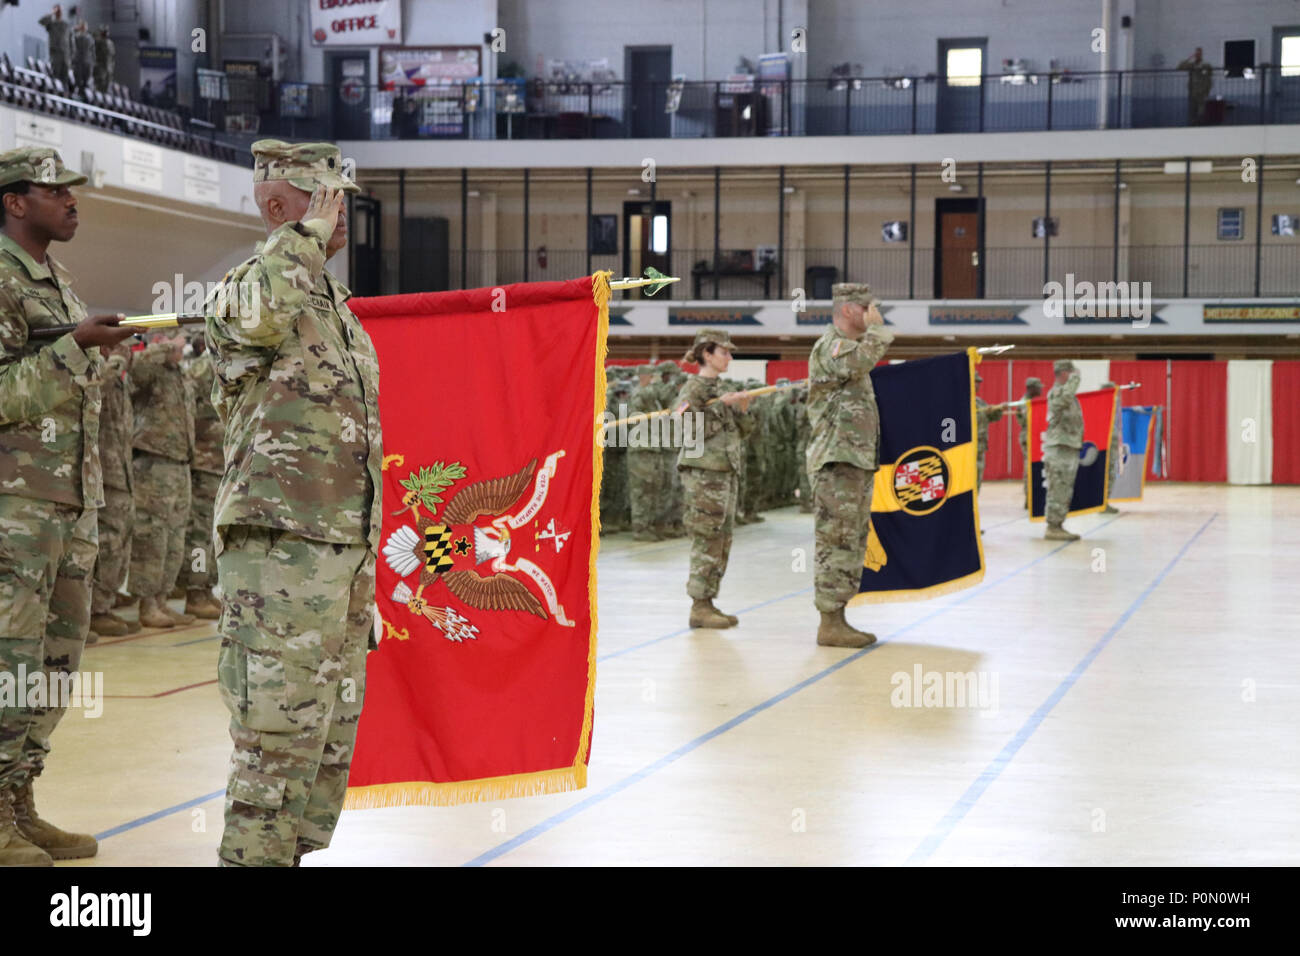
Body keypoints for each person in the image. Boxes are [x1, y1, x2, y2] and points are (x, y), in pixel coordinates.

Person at [206, 140, 381, 867]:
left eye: (343, 200)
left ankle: (293, 857)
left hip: (339, 553)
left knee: (326, 744)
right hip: (279, 549)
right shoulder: (254, 284)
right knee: (275, 746)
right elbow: (245, 328)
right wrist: (299, 241)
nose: (340, 215)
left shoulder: (332, 304)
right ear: (278, 203)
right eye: (324, 197)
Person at [0, 146, 136, 866]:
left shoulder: (59, 285)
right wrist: (75, 350)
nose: (73, 202)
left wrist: (95, 350)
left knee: (53, 665)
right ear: (15, 202)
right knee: (9, 661)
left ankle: (20, 804)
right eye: (57, 191)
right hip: (13, 511)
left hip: (66, 506)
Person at [806, 283, 893, 648]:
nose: (872, 314)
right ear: (847, 311)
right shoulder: (832, 346)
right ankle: (829, 622)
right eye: (866, 308)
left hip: (853, 460)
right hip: (835, 459)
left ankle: (839, 617)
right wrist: (878, 331)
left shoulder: (852, 347)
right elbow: (860, 361)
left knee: (852, 540)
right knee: (835, 540)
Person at [674, 328, 753, 630]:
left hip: (724, 473)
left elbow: (741, 433)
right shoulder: (692, 390)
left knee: (722, 539)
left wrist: (742, 410)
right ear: (707, 354)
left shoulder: (720, 389)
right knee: (707, 538)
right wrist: (724, 405)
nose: (729, 358)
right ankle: (700, 605)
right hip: (704, 475)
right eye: (724, 352)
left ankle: (709, 601)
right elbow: (688, 433)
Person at [126, 331, 197, 629]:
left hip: (180, 462)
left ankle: (162, 600)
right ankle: (146, 603)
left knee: (174, 536)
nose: (181, 345)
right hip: (153, 461)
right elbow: (136, 368)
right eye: (172, 340)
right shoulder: (148, 368)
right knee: (151, 536)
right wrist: (166, 346)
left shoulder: (180, 374)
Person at [88, 341, 138, 639]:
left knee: (119, 540)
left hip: (121, 473)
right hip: (102, 473)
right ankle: (95, 610)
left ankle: (105, 604)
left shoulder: (119, 381)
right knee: (105, 543)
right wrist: (116, 360)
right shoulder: (97, 371)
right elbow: (97, 390)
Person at [177, 331, 223, 619]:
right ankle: (195, 592)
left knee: (211, 533)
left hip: (220, 462)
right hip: (204, 462)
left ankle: (206, 588)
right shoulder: (200, 369)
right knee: (199, 533)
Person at [1043, 359, 1083, 541]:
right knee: (1058, 487)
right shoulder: (1058, 392)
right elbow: (1063, 400)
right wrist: (1075, 381)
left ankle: (1058, 524)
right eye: (1072, 373)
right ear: (1064, 373)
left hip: (1067, 447)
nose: (1075, 375)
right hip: (1059, 449)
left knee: (1064, 488)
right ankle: (1053, 526)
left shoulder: (1067, 394)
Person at [627, 365, 662, 541]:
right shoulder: (639, 393)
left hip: (652, 447)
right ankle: (640, 528)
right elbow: (639, 408)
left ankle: (648, 526)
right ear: (642, 376)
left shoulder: (651, 395)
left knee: (651, 490)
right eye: (649, 376)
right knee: (641, 490)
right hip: (641, 448)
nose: (652, 379)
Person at [974, 372, 1006, 496]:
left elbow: (992, 417)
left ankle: (973, 506)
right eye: (976, 382)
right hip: (967, 448)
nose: (978, 385)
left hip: (980, 448)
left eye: (979, 383)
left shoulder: (980, 402)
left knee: (977, 478)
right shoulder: (960, 401)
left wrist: (998, 409)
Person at [1015, 376, 1043, 508]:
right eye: (1038, 387)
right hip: (1028, 437)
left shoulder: (1031, 402)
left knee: (1035, 467)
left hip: (1035, 437)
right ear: (1031, 388)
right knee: (1029, 469)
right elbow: (1029, 420)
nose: (1041, 389)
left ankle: (1033, 497)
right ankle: (1029, 499)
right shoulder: (1024, 403)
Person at [1177, 47, 1214, 125]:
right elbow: (1179, 67)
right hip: (1192, 91)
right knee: (1192, 111)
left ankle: (1200, 125)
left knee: (1201, 111)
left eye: (1199, 53)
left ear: (1202, 54)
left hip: (1202, 92)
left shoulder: (1206, 65)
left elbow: (1210, 76)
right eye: (1196, 53)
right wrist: (1190, 58)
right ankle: (1193, 125)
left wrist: (1207, 89)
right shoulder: (1192, 65)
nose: (1198, 55)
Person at [1100, 380, 1121, 515]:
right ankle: (1101, 503)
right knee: (1104, 475)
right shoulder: (1099, 405)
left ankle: (1104, 502)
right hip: (1103, 446)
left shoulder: (1113, 404)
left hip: (1111, 445)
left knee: (1111, 474)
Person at [38, 5, 72, 86]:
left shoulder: (65, 24)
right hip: (56, 53)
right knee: (56, 75)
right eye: (58, 11)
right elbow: (41, 21)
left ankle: (64, 93)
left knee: (65, 77)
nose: (59, 13)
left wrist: (71, 55)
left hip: (65, 54)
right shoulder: (51, 24)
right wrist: (52, 13)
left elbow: (70, 40)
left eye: (60, 11)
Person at [71, 20, 92, 93]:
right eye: (82, 26)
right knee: (78, 78)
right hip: (78, 60)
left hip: (86, 60)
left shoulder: (89, 38)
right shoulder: (77, 36)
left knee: (86, 78)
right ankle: (78, 91)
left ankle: (83, 91)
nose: (84, 28)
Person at [92, 26, 114, 93]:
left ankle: (104, 97)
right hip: (100, 65)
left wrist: (112, 66)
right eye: (104, 32)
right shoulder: (98, 42)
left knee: (107, 84)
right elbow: (94, 52)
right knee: (99, 82)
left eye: (107, 32)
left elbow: (112, 56)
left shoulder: (110, 43)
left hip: (108, 66)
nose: (106, 34)